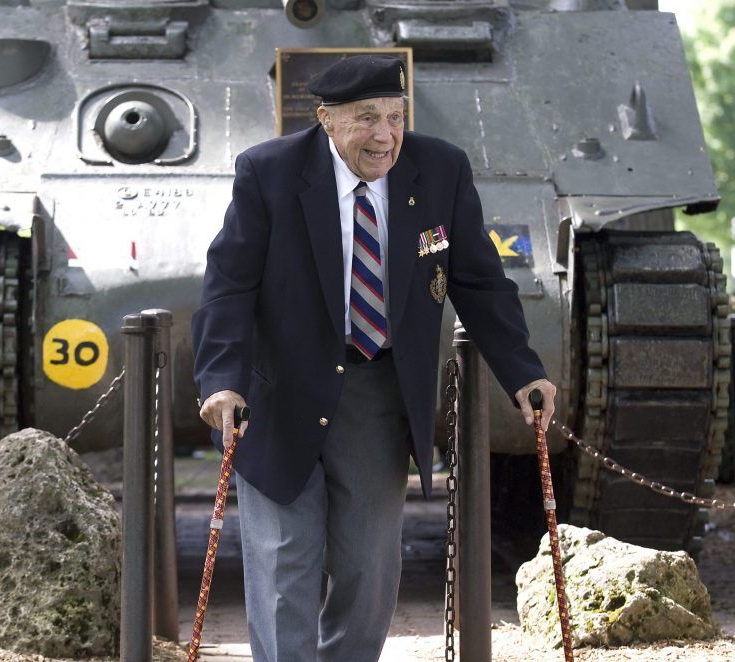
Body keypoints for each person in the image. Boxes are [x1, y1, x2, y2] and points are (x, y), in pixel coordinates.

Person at [192, 54, 556, 662]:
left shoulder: (440, 170)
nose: (385, 135)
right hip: (279, 395)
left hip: (377, 393)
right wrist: (222, 381)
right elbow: (229, 285)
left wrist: (523, 371)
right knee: (285, 565)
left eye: (395, 116)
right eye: (367, 119)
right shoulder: (269, 172)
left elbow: (481, 281)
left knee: (368, 571)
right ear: (326, 119)